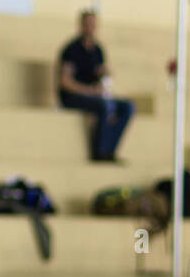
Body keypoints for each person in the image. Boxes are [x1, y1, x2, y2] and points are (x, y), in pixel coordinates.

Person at [56, 9, 135, 162]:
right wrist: (89, 91)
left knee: (127, 106)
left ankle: (110, 151)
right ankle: (100, 152)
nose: (90, 27)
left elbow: (101, 77)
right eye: (87, 24)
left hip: (94, 96)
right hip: (73, 97)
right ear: (81, 25)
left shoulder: (98, 50)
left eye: (93, 24)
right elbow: (65, 83)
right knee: (104, 105)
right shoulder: (71, 50)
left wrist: (103, 77)